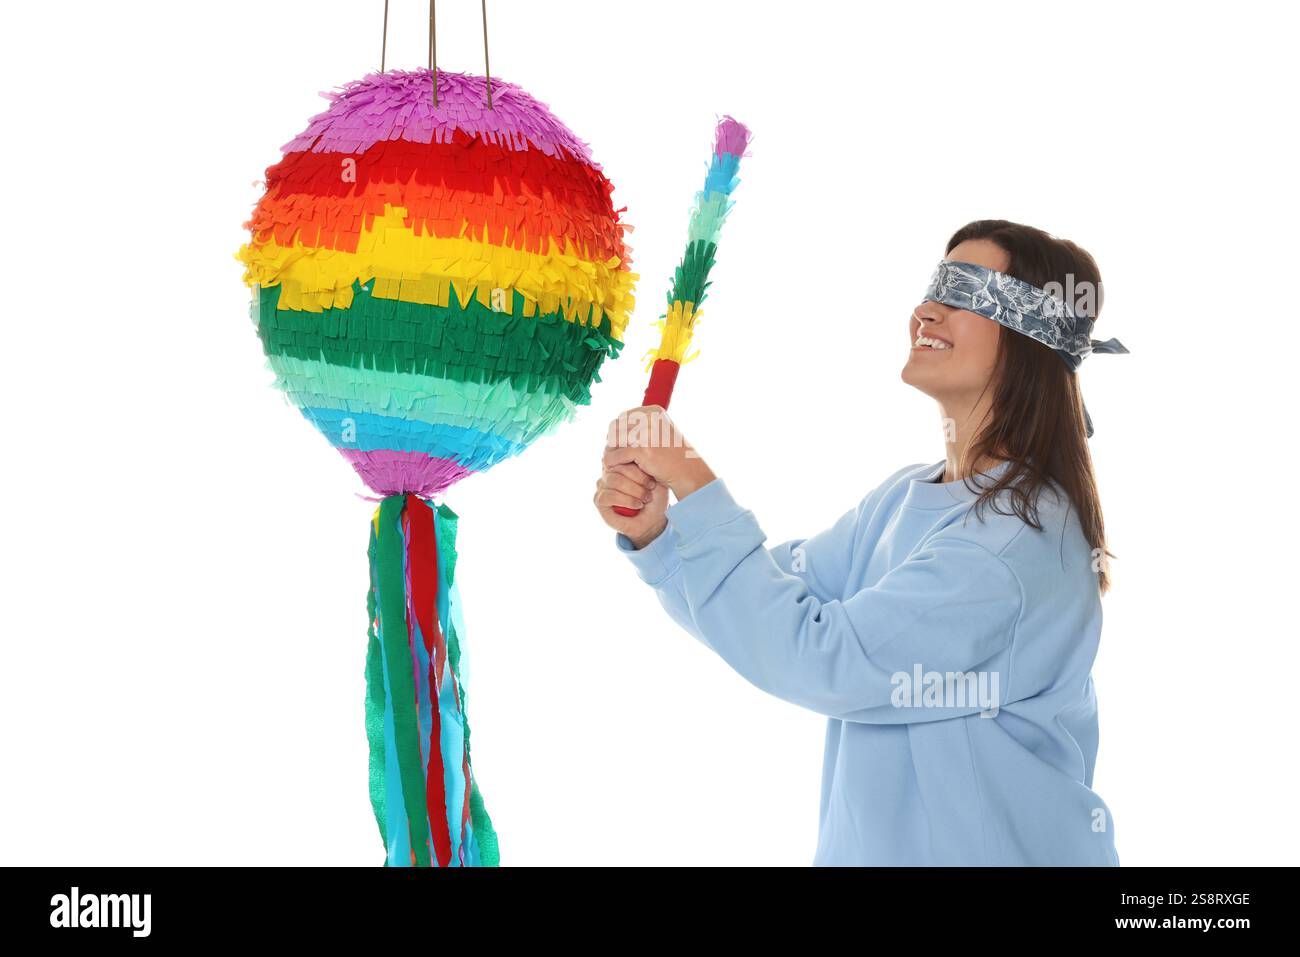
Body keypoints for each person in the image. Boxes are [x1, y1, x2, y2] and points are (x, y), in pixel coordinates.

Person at [594, 219, 1128, 866]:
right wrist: (659, 538)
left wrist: (695, 482)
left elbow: (820, 656)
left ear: (1027, 335)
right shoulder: (907, 497)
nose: (924, 310)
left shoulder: (1013, 549)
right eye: (934, 286)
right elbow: (767, 603)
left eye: (962, 294)